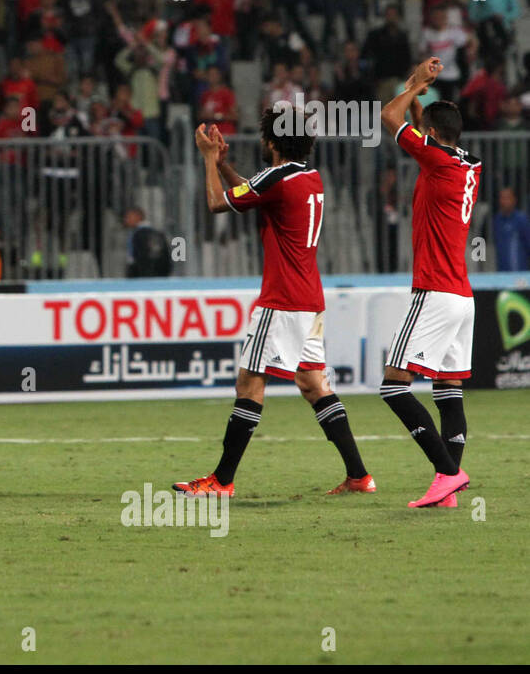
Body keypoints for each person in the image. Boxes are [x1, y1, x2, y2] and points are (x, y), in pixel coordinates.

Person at [173, 109, 373, 497]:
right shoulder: (308, 177)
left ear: (271, 142)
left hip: (281, 300)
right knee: (315, 385)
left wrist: (208, 160)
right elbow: (258, 193)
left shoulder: (276, 178)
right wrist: (226, 166)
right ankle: (359, 477)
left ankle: (221, 481)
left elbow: (217, 203)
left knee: (249, 383)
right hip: (309, 299)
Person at [378, 57, 481, 509]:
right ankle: (448, 493)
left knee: (394, 385)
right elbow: (419, 125)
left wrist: (415, 83)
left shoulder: (436, 161)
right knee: (448, 390)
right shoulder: (468, 165)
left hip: (435, 291)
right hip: (463, 295)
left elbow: (389, 117)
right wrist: (418, 90)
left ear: (432, 137)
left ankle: (448, 472)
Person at [123, 207, 171, 277]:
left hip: (143, 277)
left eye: (129, 217)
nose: (126, 220)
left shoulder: (139, 234)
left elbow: (142, 258)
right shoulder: (157, 233)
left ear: (137, 216)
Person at [492, 187, 530, 272]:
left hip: (521, 272)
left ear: (514, 200)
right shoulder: (497, 220)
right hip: (502, 272)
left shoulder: (521, 219)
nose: (505, 201)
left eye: (508, 198)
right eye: (502, 198)